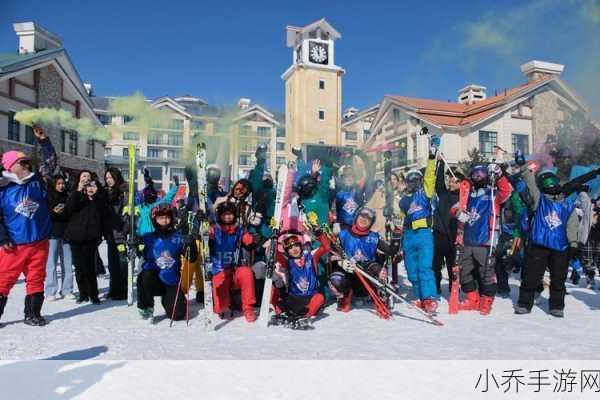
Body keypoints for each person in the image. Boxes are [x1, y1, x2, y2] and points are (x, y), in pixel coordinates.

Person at [0, 127, 56, 327]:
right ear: (10, 166)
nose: (26, 164)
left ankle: (32, 314)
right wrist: (3, 238)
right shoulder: (3, 188)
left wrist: (44, 142)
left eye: (26, 161)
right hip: (14, 245)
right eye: (22, 162)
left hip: (39, 241)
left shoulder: (38, 180)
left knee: (36, 278)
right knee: (3, 281)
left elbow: (50, 164)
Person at [515, 164, 579, 318]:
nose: (550, 185)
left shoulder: (567, 204)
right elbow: (530, 184)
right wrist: (524, 168)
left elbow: (572, 225)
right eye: (546, 183)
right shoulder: (539, 200)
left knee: (558, 279)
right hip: (539, 244)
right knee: (531, 276)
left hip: (560, 247)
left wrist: (574, 244)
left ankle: (557, 306)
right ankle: (524, 303)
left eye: (552, 182)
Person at [454, 163, 512, 315]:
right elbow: (455, 207)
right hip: (467, 240)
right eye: (475, 175)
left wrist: (500, 176)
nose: (478, 177)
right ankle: (472, 298)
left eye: (481, 174)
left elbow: (507, 191)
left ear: (486, 176)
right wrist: (458, 213)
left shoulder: (493, 194)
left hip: (486, 241)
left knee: (486, 273)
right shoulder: (467, 195)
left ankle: (486, 301)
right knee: (463, 272)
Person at [137, 204, 197, 320]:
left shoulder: (179, 238)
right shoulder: (147, 237)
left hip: (171, 280)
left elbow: (192, 258)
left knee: (178, 315)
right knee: (145, 274)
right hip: (153, 279)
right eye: (161, 218)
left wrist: (191, 245)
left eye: (167, 217)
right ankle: (147, 307)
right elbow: (138, 253)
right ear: (155, 219)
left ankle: (169, 299)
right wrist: (133, 245)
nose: (164, 220)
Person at [398, 147, 439, 314]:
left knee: (424, 267)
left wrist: (431, 157)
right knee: (411, 269)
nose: (414, 182)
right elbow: (401, 219)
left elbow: (430, 176)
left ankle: (429, 298)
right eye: (411, 179)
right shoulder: (403, 200)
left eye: (416, 179)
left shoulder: (425, 193)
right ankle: (420, 295)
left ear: (420, 180)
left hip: (423, 234)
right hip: (408, 236)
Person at [333, 207, 398, 312]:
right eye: (362, 216)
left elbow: (391, 251)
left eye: (368, 218)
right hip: (349, 271)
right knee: (336, 279)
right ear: (356, 216)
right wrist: (340, 262)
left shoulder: (373, 237)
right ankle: (345, 297)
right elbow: (331, 252)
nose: (364, 219)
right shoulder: (343, 233)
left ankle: (380, 296)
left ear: (371, 223)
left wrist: (397, 235)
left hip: (366, 274)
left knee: (379, 270)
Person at [210, 202, 257, 322]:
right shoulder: (215, 230)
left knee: (246, 272)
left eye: (230, 214)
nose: (227, 217)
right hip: (219, 272)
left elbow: (247, 239)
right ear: (219, 216)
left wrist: (253, 239)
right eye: (224, 214)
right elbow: (206, 234)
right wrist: (202, 228)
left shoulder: (239, 230)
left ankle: (248, 308)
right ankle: (224, 304)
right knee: (220, 307)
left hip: (234, 270)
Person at [64, 177, 109, 304]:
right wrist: (78, 190)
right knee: (79, 267)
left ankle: (93, 294)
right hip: (76, 237)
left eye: (92, 186)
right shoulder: (77, 197)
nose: (89, 188)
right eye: (87, 185)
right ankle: (83, 293)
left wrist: (95, 195)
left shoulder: (98, 200)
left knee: (90, 267)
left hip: (91, 238)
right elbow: (70, 208)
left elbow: (102, 213)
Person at [271, 230, 330, 321]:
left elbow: (326, 247)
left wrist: (319, 233)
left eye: (296, 245)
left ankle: (306, 316)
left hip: (310, 298)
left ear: (300, 246)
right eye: (290, 248)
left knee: (320, 298)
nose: (294, 249)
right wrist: (274, 240)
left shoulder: (311, 256)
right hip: (294, 299)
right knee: (274, 289)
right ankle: (277, 312)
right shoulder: (287, 262)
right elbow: (275, 255)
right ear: (287, 251)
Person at [432, 163, 462, 295]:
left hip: (455, 236)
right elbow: (438, 182)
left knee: (452, 265)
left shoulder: (464, 198)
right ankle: (435, 286)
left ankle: (453, 287)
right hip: (439, 234)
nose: (451, 183)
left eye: (454, 181)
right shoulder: (444, 193)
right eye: (449, 180)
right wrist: (441, 163)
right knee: (436, 264)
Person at [44, 174, 75, 301]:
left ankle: (67, 289)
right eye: (58, 183)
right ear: (53, 184)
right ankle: (51, 290)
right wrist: (53, 212)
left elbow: (72, 213)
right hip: (52, 233)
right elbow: (44, 215)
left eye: (63, 183)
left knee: (67, 263)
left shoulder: (68, 196)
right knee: (51, 263)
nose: (61, 186)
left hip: (67, 233)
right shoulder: (48, 197)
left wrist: (66, 211)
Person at [104, 167, 128, 300]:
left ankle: (123, 290)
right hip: (109, 233)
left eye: (111, 178)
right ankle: (113, 289)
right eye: (107, 178)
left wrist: (124, 228)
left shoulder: (123, 192)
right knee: (113, 264)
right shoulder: (106, 192)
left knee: (122, 264)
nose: (108, 180)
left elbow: (127, 213)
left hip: (120, 233)